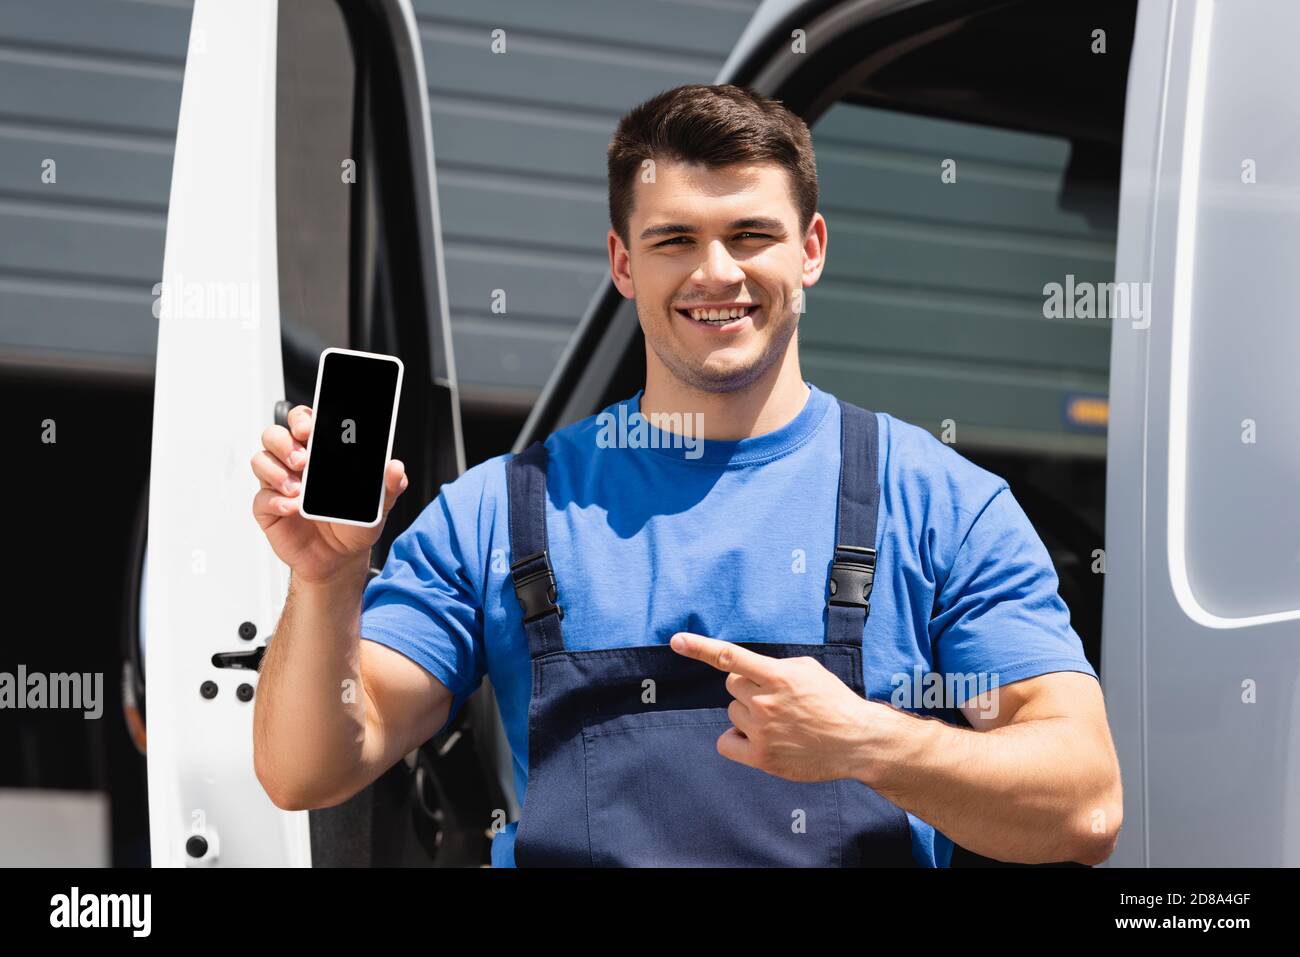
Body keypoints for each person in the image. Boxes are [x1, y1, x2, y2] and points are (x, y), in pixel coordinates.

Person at [249, 83, 1121, 868]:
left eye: (752, 234)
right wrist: (324, 581)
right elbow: (308, 768)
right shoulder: (498, 512)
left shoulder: (942, 507)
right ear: (624, 263)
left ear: (810, 249)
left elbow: (1084, 805)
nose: (716, 272)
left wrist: (865, 741)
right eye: (675, 239)